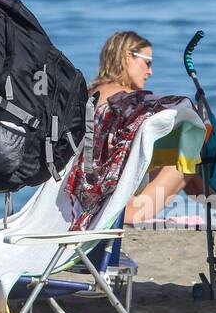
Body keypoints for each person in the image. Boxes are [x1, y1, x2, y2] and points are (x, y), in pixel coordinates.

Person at [75, 31, 202, 226]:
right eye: (147, 63)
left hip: (86, 193)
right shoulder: (124, 99)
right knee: (193, 147)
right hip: (117, 205)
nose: (150, 72)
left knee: (186, 148)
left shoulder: (93, 92)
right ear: (128, 57)